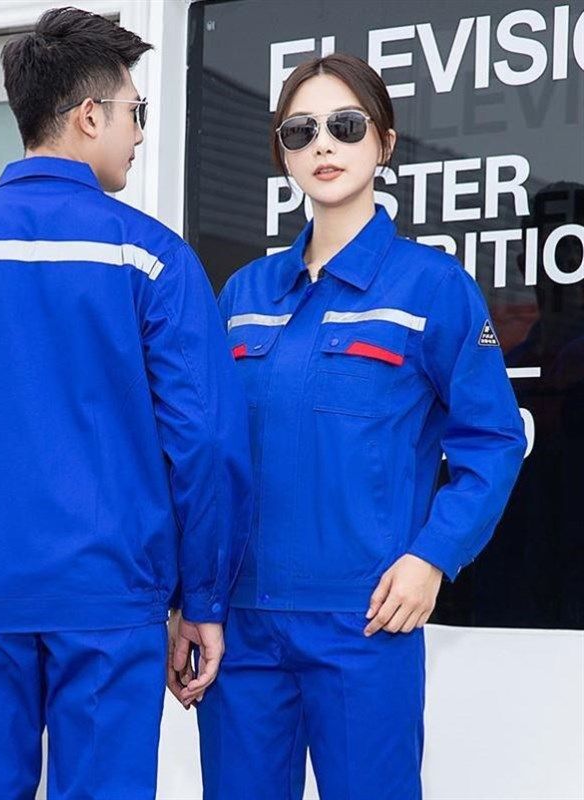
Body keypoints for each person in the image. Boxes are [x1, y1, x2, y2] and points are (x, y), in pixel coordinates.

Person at [0, 7, 251, 799]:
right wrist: (203, 598)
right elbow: (205, 443)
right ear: (89, 116)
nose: (138, 134)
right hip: (111, 605)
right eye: (136, 112)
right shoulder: (153, 259)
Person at [188, 53, 527, 800]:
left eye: (346, 126)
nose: (323, 145)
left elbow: (493, 442)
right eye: (300, 131)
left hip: (366, 623)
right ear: (282, 154)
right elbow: (210, 457)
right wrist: (196, 599)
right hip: (243, 625)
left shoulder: (432, 287)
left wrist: (432, 557)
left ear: (385, 143)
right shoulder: (244, 294)